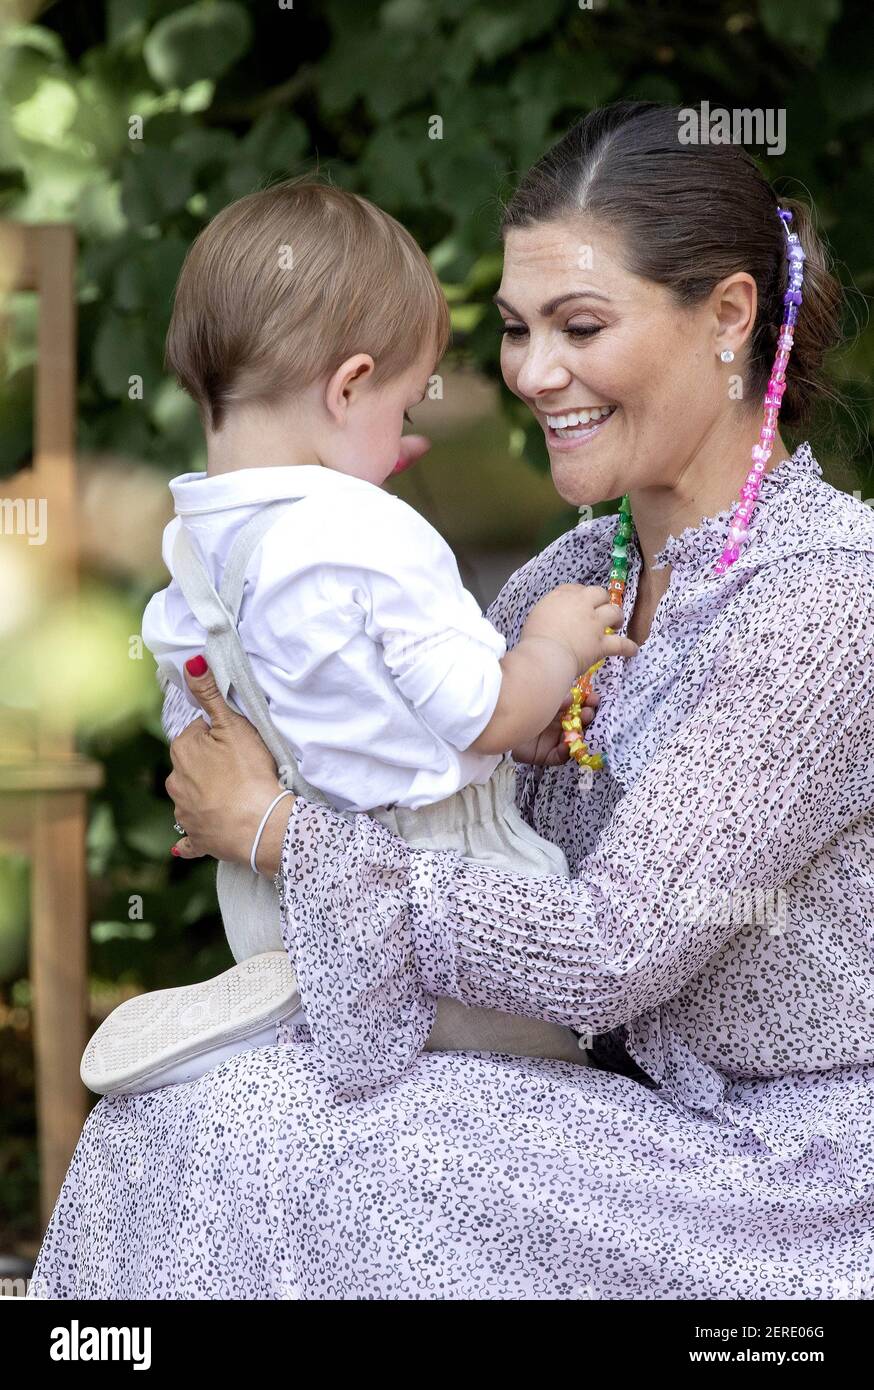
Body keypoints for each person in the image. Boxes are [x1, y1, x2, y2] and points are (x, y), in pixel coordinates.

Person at [31, 102, 874, 1300]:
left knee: (298, 1151)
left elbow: (610, 954)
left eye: (579, 325)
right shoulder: (580, 572)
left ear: (728, 316)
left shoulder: (824, 603)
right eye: (518, 329)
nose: (531, 373)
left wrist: (279, 831)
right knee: (181, 1118)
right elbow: (414, 794)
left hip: (783, 1179)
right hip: (599, 1110)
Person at [80, 180, 637, 1097]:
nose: (405, 440)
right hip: (435, 902)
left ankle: (287, 1014)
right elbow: (481, 713)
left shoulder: (189, 558)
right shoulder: (372, 534)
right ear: (349, 387)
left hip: (276, 912)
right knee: (550, 1073)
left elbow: (204, 726)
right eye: (407, 409)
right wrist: (548, 647)